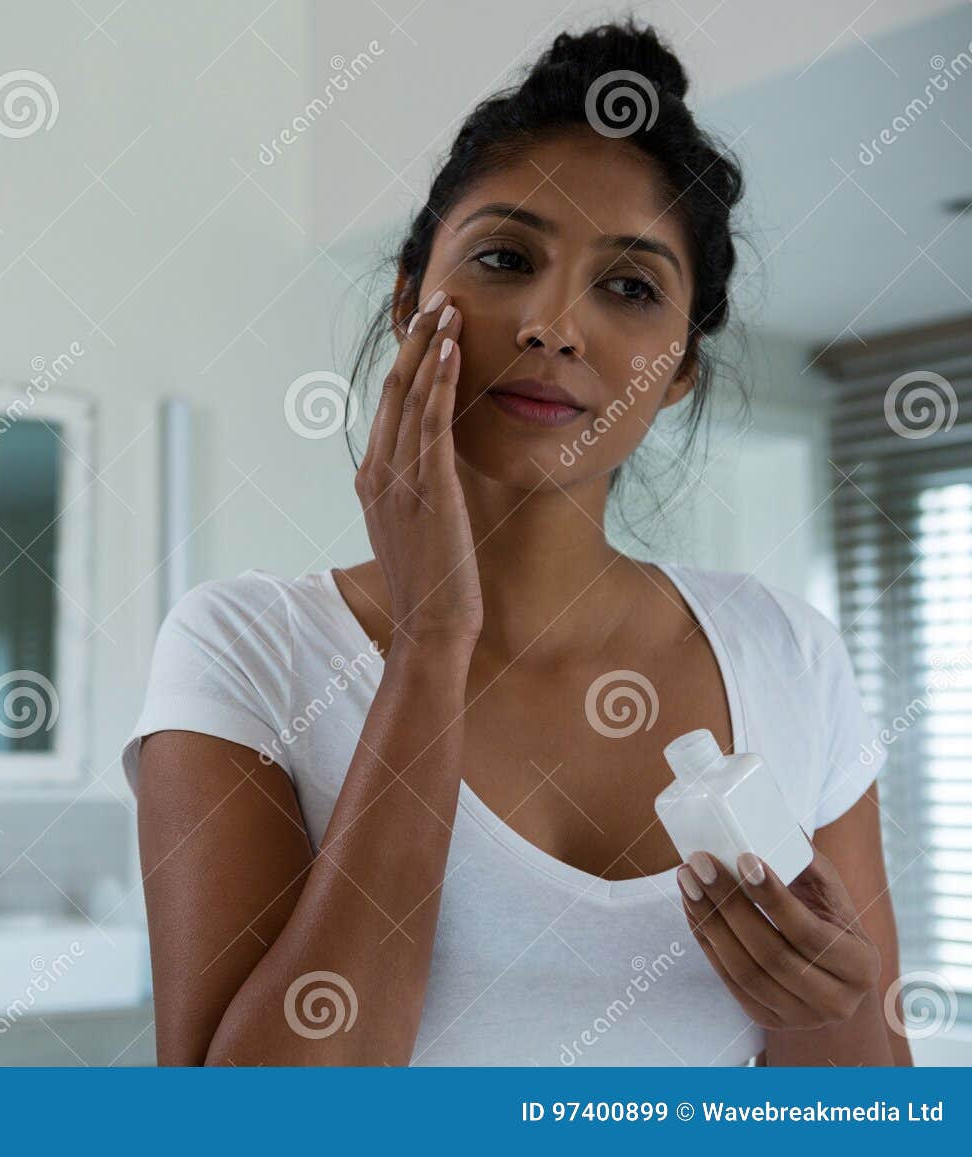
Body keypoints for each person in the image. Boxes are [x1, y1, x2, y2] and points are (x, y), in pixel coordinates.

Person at [119, 19, 910, 1067]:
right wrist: (429, 642)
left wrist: (825, 1001)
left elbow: (857, 1110)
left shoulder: (788, 655)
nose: (554, 324)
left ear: (676, 365)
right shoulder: (246, 648)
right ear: (410, 299)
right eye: (504, 258)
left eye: (629, 286)